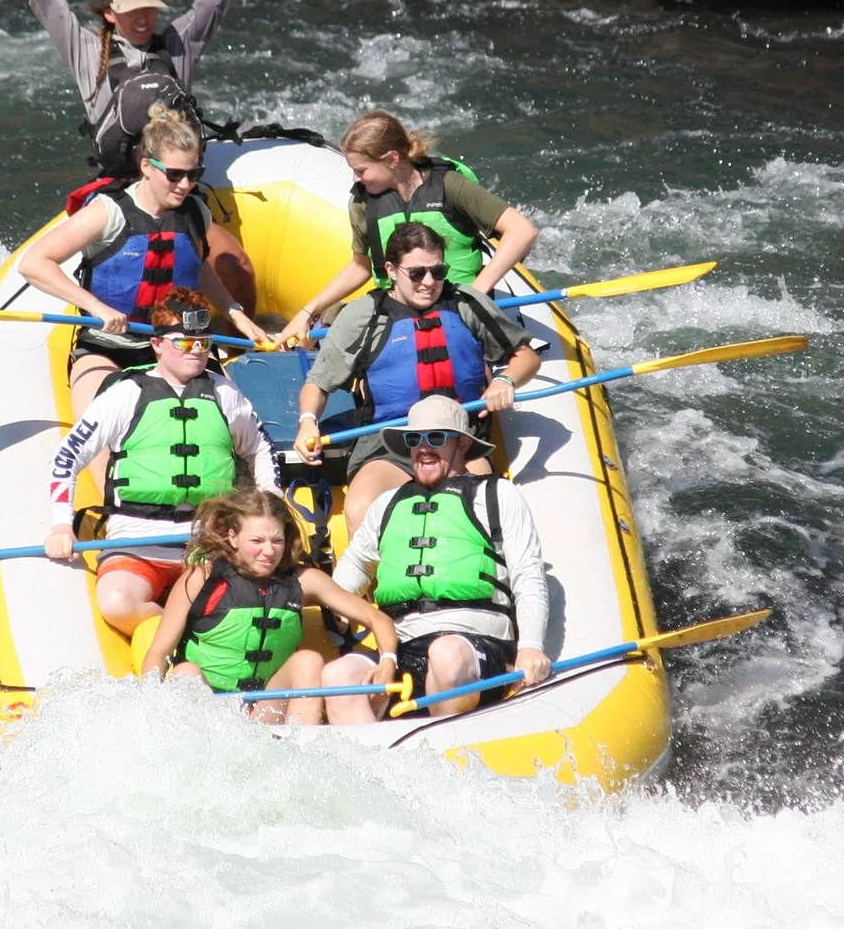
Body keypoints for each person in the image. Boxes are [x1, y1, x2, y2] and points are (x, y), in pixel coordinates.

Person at [43, 290, 279, 635]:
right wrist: (62, 525)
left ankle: (190, 632)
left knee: (241, 607)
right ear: (157, 345)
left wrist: (270, 507)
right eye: (185, 344)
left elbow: (260, 450)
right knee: (116, 602)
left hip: (209, 542)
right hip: (134, 543)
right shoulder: (125, 395)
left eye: (203, 342)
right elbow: (66, 458)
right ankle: (178, 631)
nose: (197, 352)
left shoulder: (226, 396)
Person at [8, 0, 275, 182]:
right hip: (123, 185)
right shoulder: (86, 50)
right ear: (109, 13)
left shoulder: (179, 44)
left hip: (179, 185)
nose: (142, 18)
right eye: (131, 10)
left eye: (149, 8)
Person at [17, 106, 269, 414]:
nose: (185, 185)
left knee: (231, 418)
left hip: (182, 344)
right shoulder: (107, 213)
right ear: (147, 166)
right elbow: (34, 263)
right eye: (175, 174)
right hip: (110, 348)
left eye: (194, 174)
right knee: (102, 424)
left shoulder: (196, 212)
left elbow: (195, 267)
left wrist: (236, 315)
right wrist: (98, 308)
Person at [292, 222, 540, 532]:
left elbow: (526, 357)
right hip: (388, 445)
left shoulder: (466, 304)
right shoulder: (364, 316)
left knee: (480, 506)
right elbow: (317, 384)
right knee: (361, 508)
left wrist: (505, 380)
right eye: (417, 273)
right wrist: (307, 421)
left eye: (438, 272)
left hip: (458, 441)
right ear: (392, 270)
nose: (429, 283)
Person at [321, 396, 552, 724]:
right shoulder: (387, 503)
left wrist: (530, 645)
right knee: (338, 675)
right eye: (414, 440)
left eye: (436, 438)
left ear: (461, 443)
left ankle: (450, 754)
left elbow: (528, 575)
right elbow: (356, 565)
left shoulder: (498, 495)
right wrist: (336, 606)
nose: (424, 448)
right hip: (402, 648)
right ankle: (372, 767)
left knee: (446, 654)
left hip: (475, 647)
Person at [140, 487, 401, 725]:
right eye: (257, 541)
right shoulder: (201, 578)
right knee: (186, 673)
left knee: (307, 660)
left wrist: (388, 660)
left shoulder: (304, 580)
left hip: (265, 708)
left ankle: (302, 750)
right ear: (233, 537)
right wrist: (145, 709)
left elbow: (376, 619)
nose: (269, 552)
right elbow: (159, 652)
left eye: (276, 541)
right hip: (209, 709)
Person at [281, 111, 538, 346]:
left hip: (456, 303)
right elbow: (361, 265)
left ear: (392, 159)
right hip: (399, 309)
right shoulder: (362, 202)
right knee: (330, 325)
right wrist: (308, 310)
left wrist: (476, 294)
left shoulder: (449, 185)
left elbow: (522, 231)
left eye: (361, 170)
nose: (355, 179)